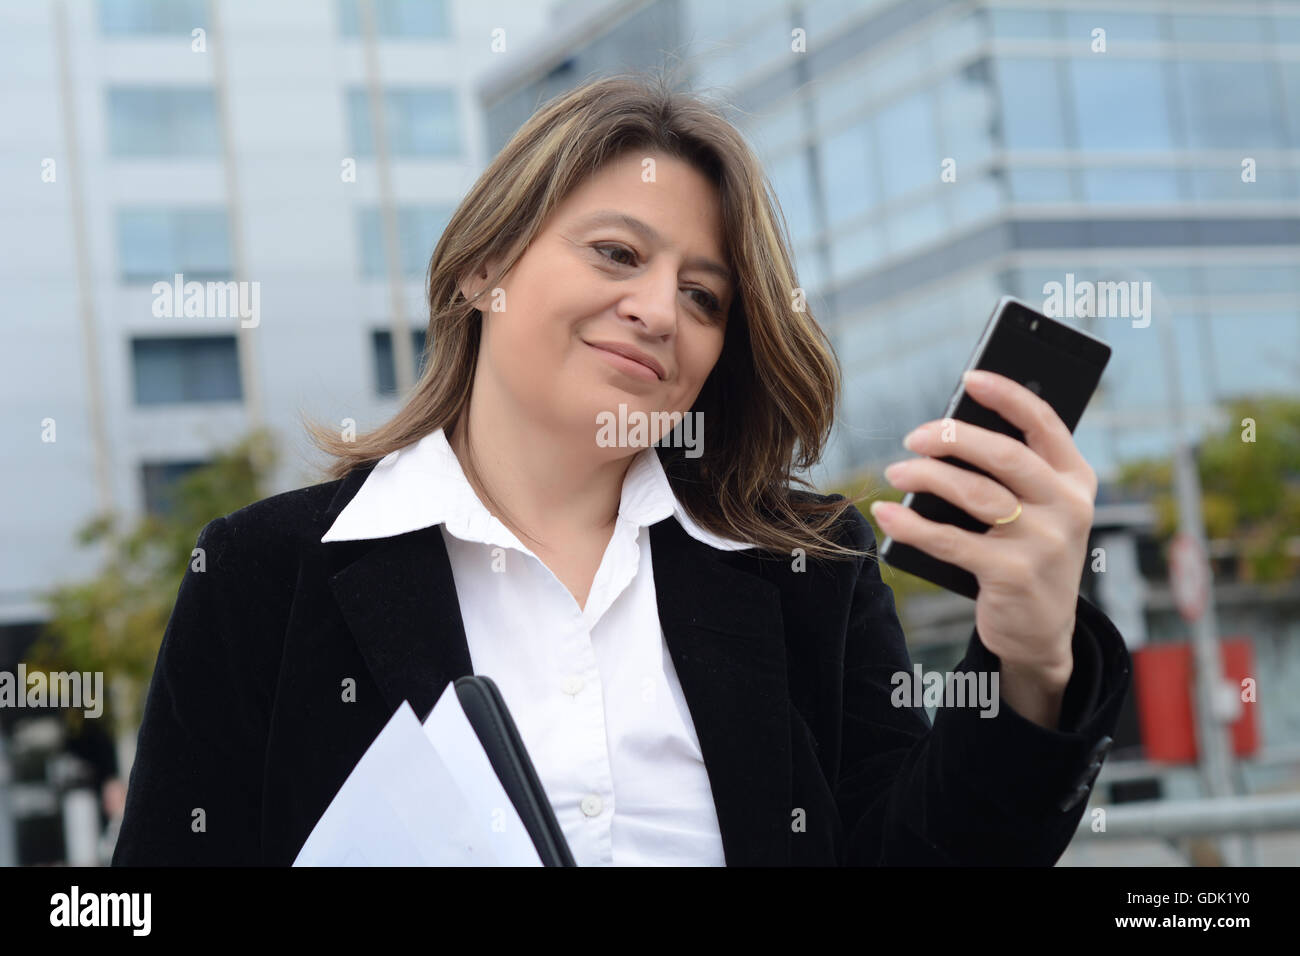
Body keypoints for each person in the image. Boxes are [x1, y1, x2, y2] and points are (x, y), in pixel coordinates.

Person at [112, 72, 1130, 867]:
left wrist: (1032, 658)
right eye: (614, 253)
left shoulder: (804, 566)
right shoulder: (263, 572)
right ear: (484, 266)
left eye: (704, 297)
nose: (656, 308)